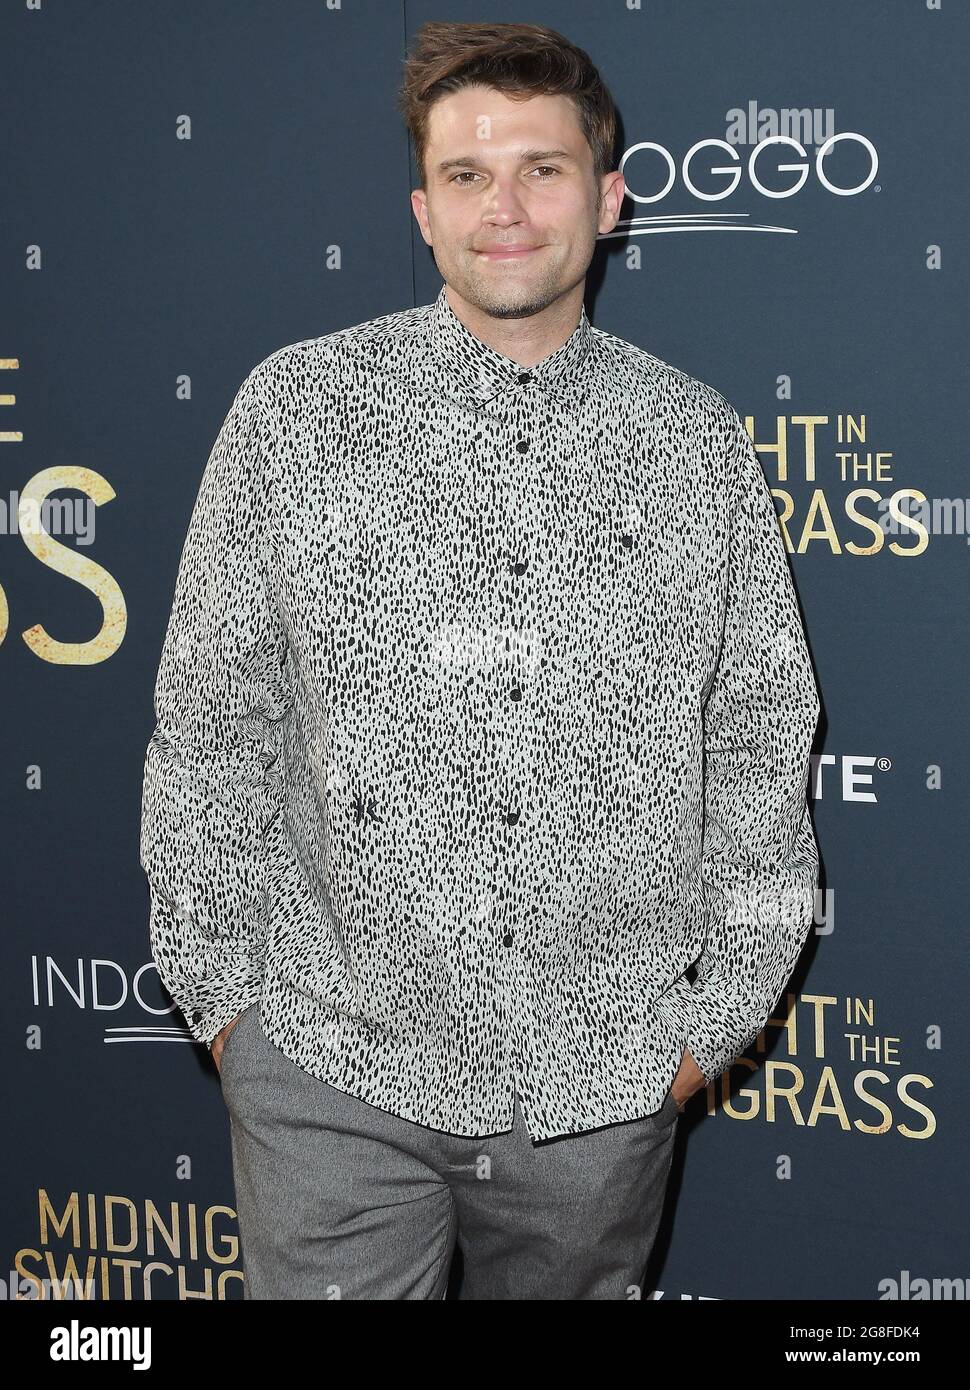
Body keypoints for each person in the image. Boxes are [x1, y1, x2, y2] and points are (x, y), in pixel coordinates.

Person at [139, 20, 820, 1301]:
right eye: (466, 175)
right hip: (331, 1068)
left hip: (599, 1092)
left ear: (609, 200)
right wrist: (231, 1004)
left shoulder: (695, 444)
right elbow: (212, 721)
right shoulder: (297, 412)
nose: (503, 208)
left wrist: (699, 1029)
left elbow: (764, 731)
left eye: (542, 169)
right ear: (423, 208)